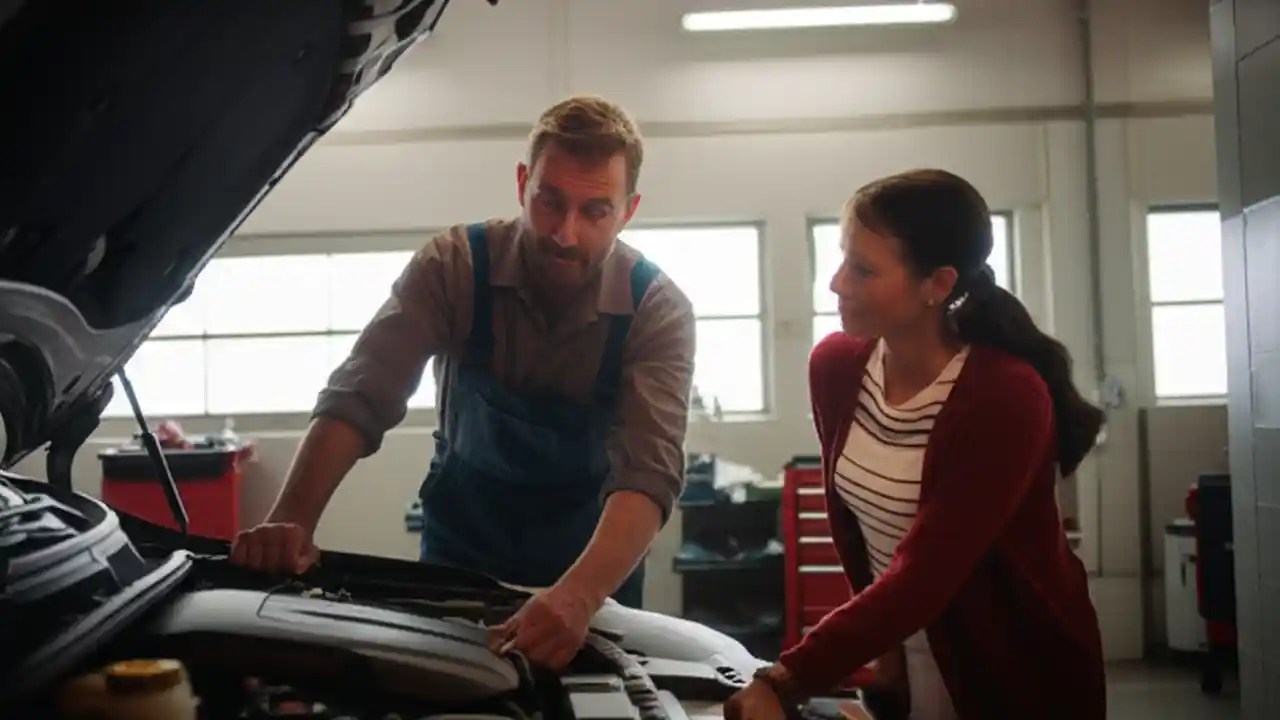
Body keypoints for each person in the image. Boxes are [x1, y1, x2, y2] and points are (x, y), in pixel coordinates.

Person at [229, 95, 697, 671]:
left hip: (592, 568)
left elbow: (648, 475)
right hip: (460, 558)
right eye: (550, 202)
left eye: (595, 211)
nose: (565, 234)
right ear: (523, 182)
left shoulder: (657, 310)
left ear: (628, 211)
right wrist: (292, 519)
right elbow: (361, 395)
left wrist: (576, 598)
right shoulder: (453, 269)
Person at [726, 169, 1106, 720]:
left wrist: (787, 680)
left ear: (938, 284)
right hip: (910, 648)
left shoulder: (1004, 396)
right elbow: (856, 529)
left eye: (863, 269)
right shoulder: (836, 367)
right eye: (842, 258)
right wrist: (887, 653)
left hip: (1015, 667)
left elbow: (927, 570)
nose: (836, 283)